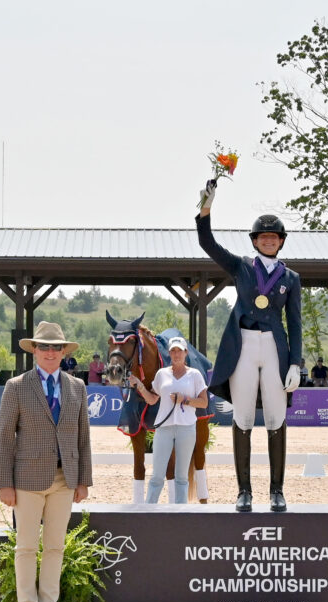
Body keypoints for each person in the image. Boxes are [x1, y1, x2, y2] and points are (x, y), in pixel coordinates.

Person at [196, 178, 302, 512]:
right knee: (242, 416)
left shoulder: (291, 279)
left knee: (275, 415)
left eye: (274, 237)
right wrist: (205, 209)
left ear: (280, 242)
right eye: (263, 237)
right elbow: (208, 244)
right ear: (256, 241)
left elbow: (295, 322)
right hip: (242, 345)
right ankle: (244, 491)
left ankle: (276, 490)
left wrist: (296, 363)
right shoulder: (241, 266)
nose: (269, 241)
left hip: (273, 348)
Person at [0, 321, 92, 602]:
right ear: (34, 350)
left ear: (64, 352)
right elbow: (4, 439)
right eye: (44, 346)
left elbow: (83, 438)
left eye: (56, 347)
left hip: (66, 479)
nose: (50, 352)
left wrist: (83, 480)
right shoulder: (17, 386)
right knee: (25, 546)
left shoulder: (77, 387)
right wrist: (4, 483)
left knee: (54, 546)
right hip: (26, 480)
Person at [129, 336, 209, 504]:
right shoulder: (161, 374)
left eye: (179, 350)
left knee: (181, 477)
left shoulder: (195, 375)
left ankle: (180, 515)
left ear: (185, 353)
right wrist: (140, 386)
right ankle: (149, 511)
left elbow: (204, 402)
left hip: (186, 428)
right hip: (164, 428)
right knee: (157, 475)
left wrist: (185, 399)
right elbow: (152, 400)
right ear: (169, 353)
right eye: (173, 351)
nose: (176, 354)